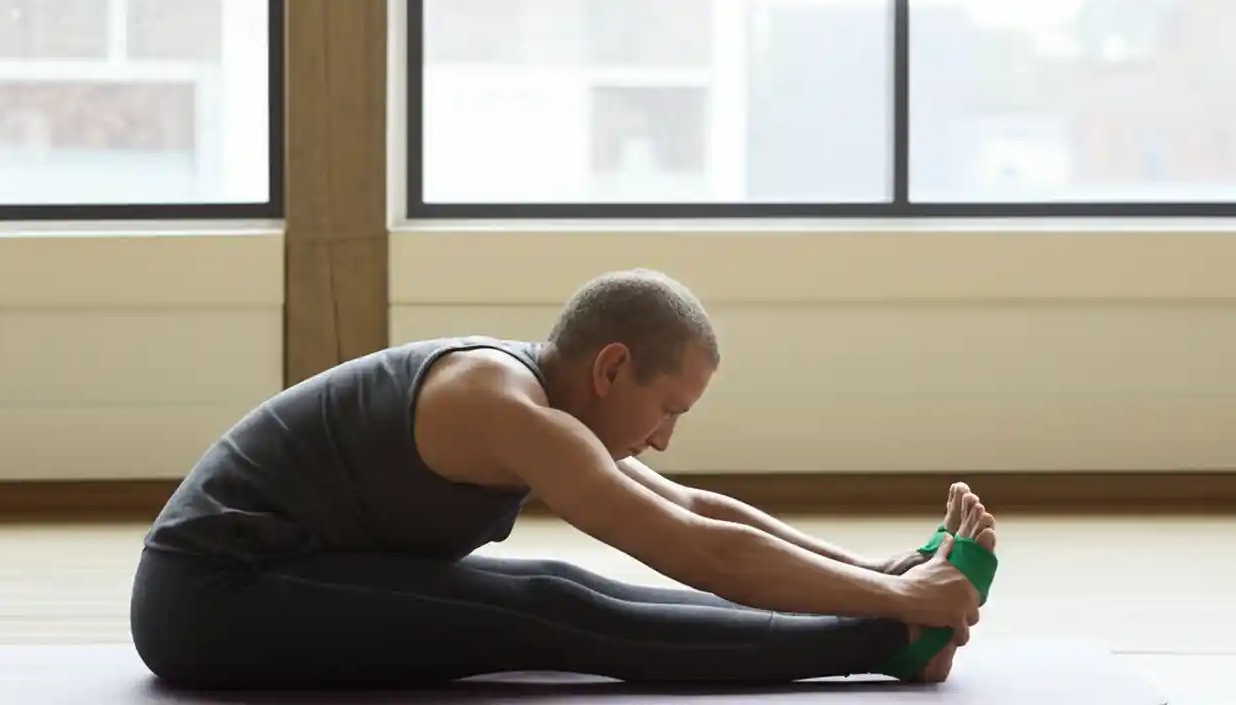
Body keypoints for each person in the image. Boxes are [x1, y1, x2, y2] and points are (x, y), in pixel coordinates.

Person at [130, 268, 997, 689]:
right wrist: (903, 608)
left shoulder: (543, 396)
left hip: (296, 570)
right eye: (668, 411)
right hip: (214, 600)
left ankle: (880, 622)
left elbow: (693, 506)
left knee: (561, 585)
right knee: (549, 610)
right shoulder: (503, 407)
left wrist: (876, 572)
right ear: (612, 366)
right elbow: (690, 548)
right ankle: (885, 649)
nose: (661, 440)